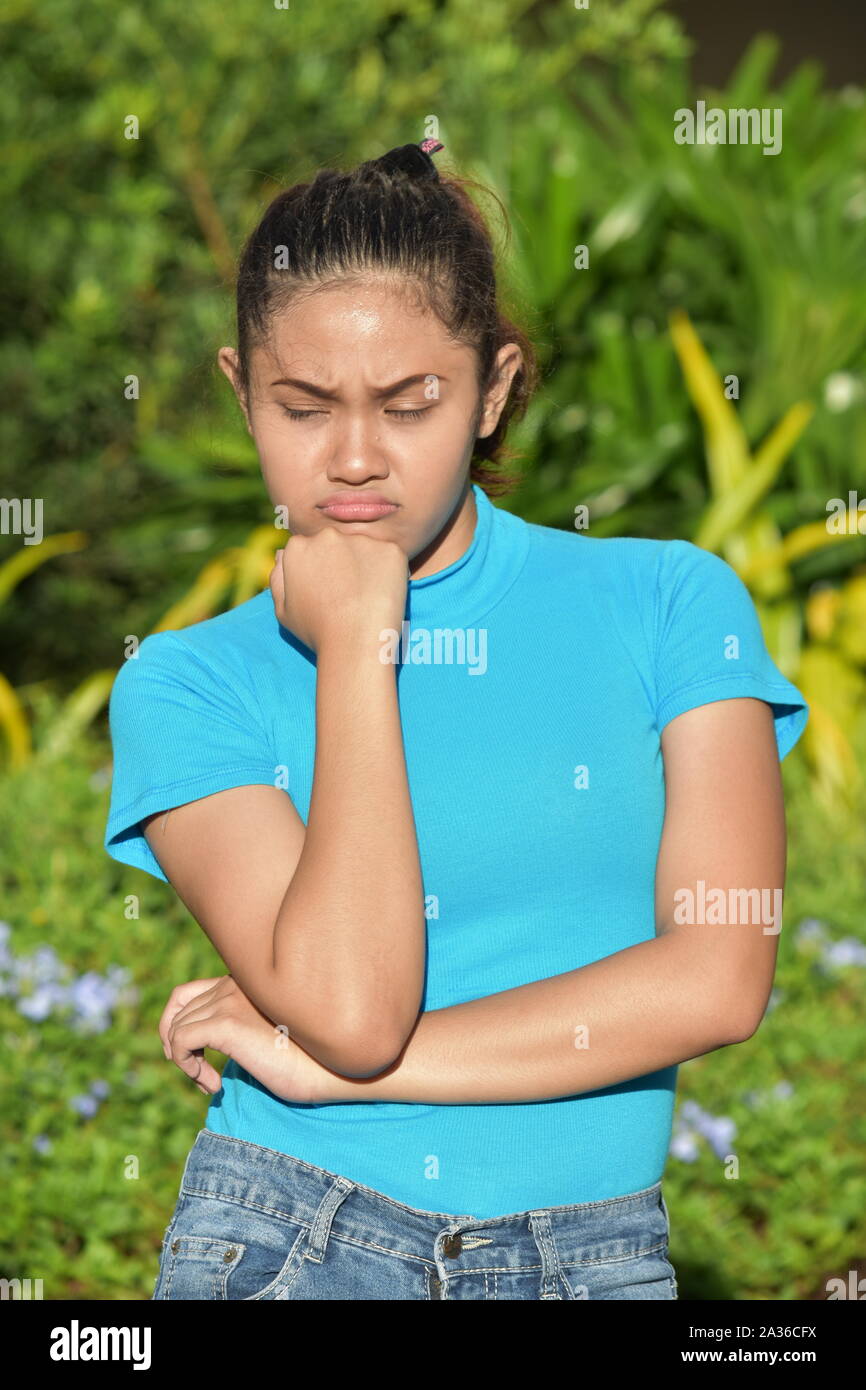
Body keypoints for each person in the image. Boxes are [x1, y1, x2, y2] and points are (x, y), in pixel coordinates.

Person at [103, 137, 809, 1301]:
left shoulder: (670, 603)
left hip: (595, 1255)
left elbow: (718, 978)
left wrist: (339, 1079)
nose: (353, 458)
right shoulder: (189, 681)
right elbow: (350, 1009)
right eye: (301, 405)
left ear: (491, 388)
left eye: (409, 402)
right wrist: (353, 650)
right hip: (292, 1238)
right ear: (239, 391)